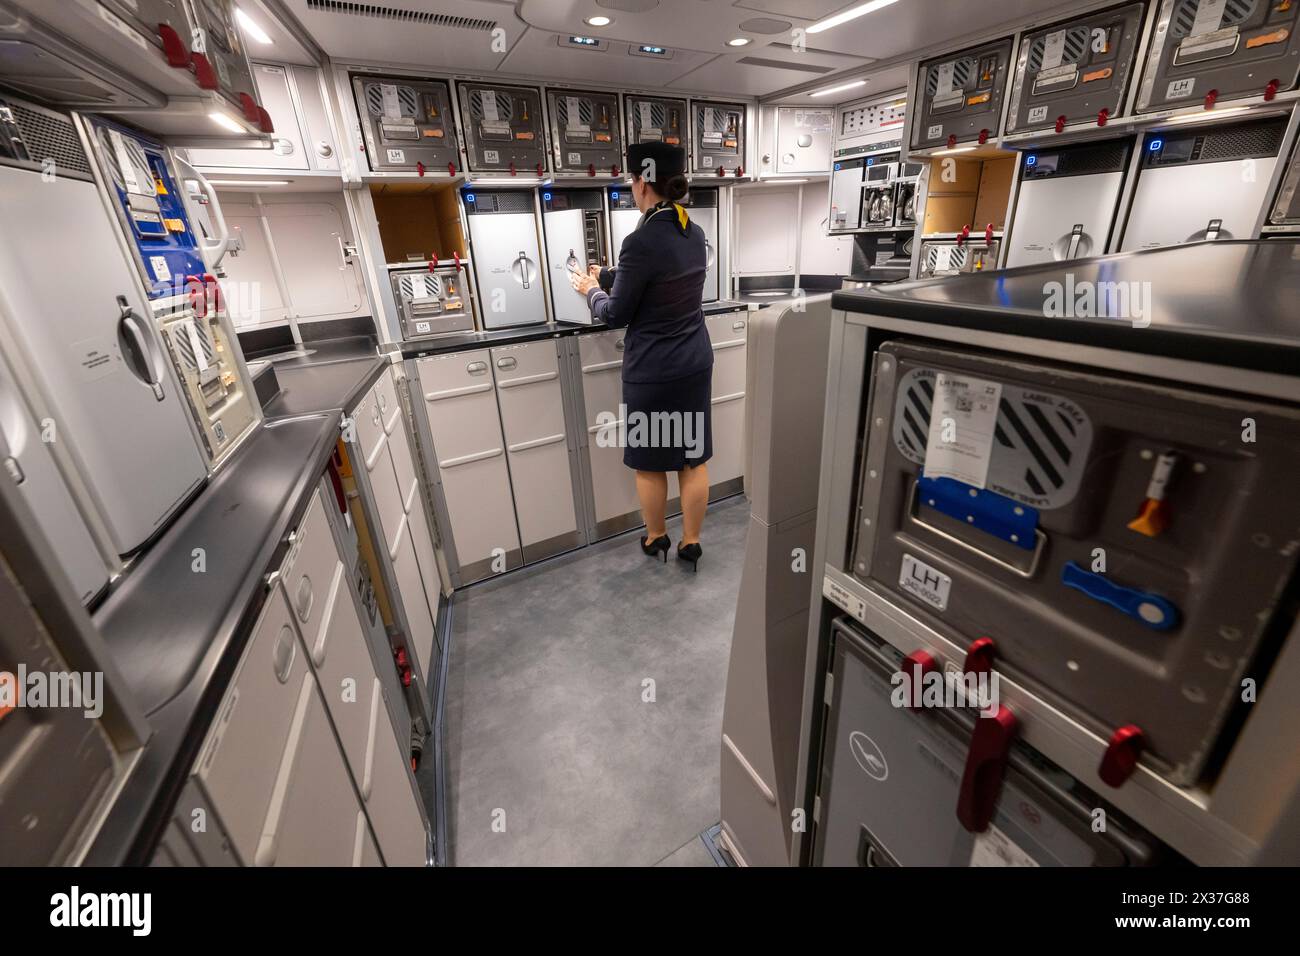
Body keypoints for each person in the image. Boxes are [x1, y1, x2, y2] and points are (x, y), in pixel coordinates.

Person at [569, 142, 712, 571]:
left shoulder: (641, 239)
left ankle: (655, 537)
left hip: (653, 372)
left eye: (631, 180)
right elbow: (659, 279)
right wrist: (610, 274)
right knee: (691, 457)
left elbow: (616, 313)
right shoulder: (693, 230)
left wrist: (590, 289)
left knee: (650, 464)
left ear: (642, 183)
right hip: (694, 363)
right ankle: (691, 542)